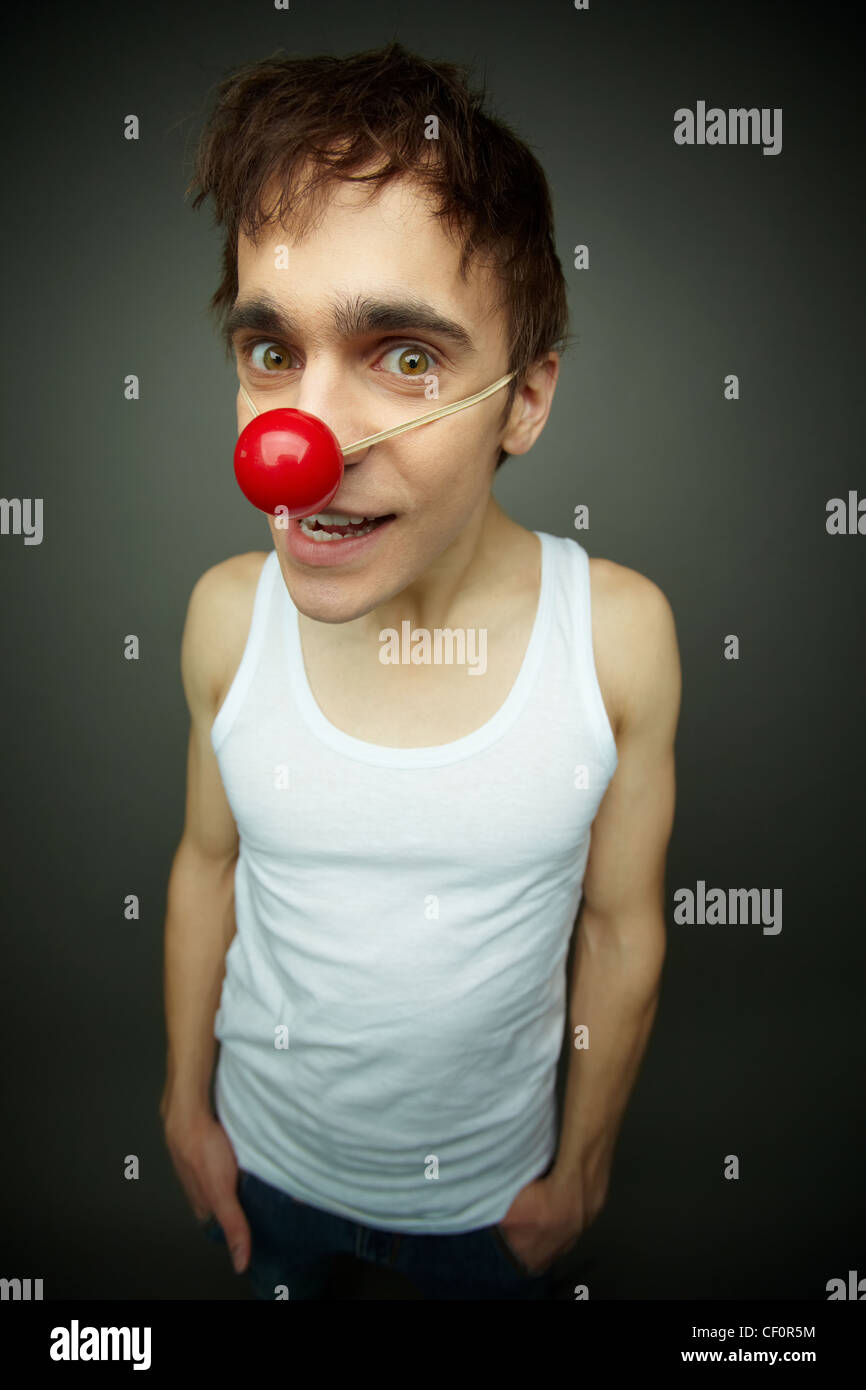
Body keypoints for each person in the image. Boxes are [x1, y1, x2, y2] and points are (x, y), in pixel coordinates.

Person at [160, 41, 681, 1301]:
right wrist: (183, 1104)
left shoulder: (615, 637)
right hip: (267, 1169)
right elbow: (205, 865)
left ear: (526, 399)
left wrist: (582, 1172)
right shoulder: (226, 619)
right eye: (270, 351)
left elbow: (618, 928)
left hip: (485, 1207)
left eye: (404, 354)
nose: (299, 447)